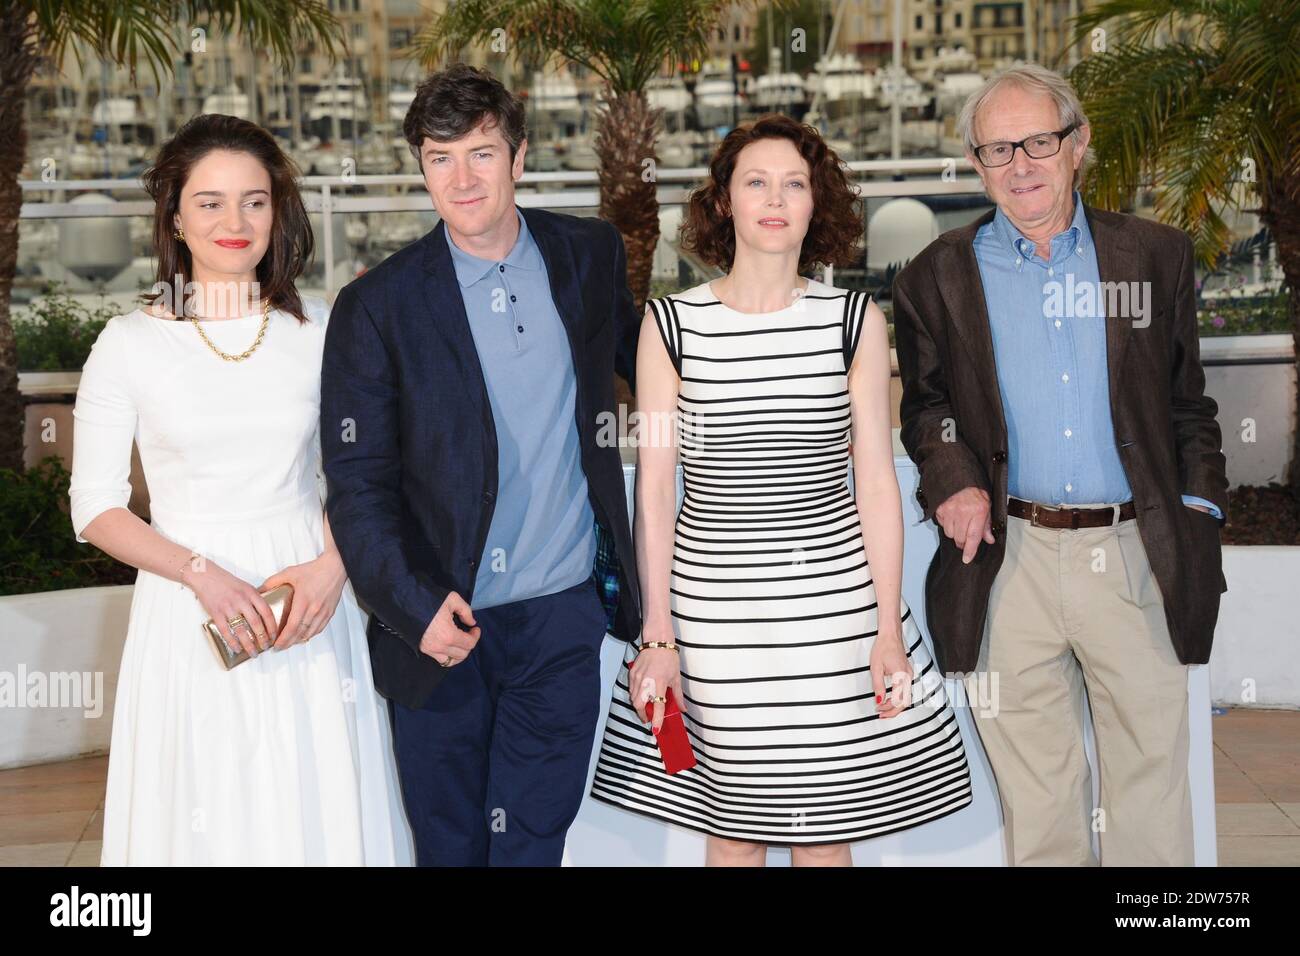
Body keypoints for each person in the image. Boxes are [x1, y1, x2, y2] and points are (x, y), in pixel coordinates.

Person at [588, 114, 975, 866]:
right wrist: (659, 633)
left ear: (815, 203)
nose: (775, 198)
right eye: (755, 182)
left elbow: (874, 479)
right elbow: (657, 488)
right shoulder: (671, 324)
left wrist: (889, 628)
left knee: (825, 836)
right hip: (712, 620)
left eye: (793, 183)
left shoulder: (853, 320)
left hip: (835, 614)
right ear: (724, 201)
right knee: (731, 836)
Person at [892, 64, 1229, 866]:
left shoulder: (1153, 255)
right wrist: (953, 478)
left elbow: (1190, 405)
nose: (1021, 165)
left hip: (1135, 552)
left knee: (1150, 788)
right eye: (998, 149)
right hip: (1009, 561)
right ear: (976, 165)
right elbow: (927, 407)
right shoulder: (937, 274)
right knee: (1039, 801)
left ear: (1077, 145)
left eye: (1039, 141)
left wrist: (1197, 514)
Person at [320, 64, 642, 867]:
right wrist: (413, 606)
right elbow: (357, 487)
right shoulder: (377, 305)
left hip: (561, 617)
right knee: (452, 847)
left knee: (533, 845)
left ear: (520, 156)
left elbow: (659, 360)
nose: (461, 179)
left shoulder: (587, 255)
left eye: (482, 154)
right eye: (439, 157)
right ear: (421, 167)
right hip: (440, 625)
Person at [69, 113, 413, 865]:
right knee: (207, 801)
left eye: (254, 201)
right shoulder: (128, 344)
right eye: (211, 201)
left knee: (313, 797)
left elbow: (372, 469)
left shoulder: (322, 328)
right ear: (175, 216)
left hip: (307, 596)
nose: (235, 221)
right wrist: (203, 575)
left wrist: (332, 570)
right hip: (187, 600)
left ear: (278, 212)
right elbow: (93, 507)